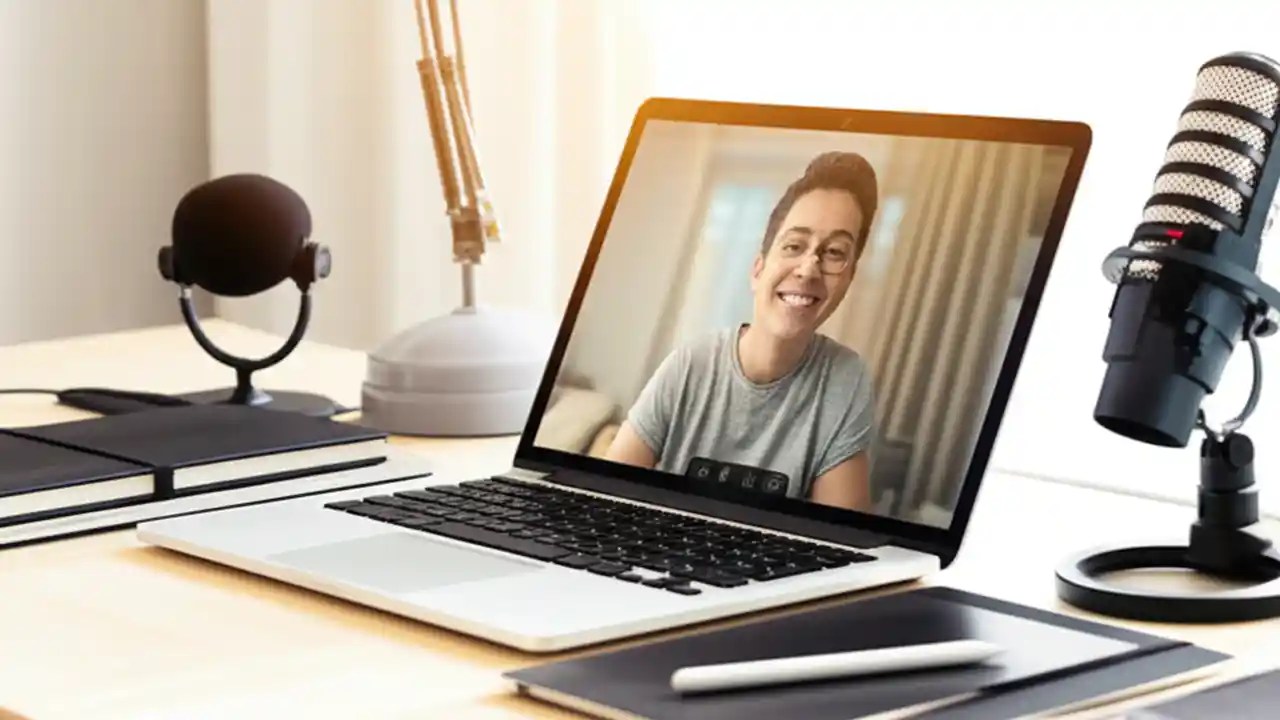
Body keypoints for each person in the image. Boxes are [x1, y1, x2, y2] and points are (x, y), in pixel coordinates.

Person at [605, 150, 879, 511]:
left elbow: (841, 535)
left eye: (834, 253)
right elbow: (602, 496)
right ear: (757, 270)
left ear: (849, 280)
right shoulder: (691, 364)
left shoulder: (845, 378)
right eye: (794, 245)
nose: (809, 269)